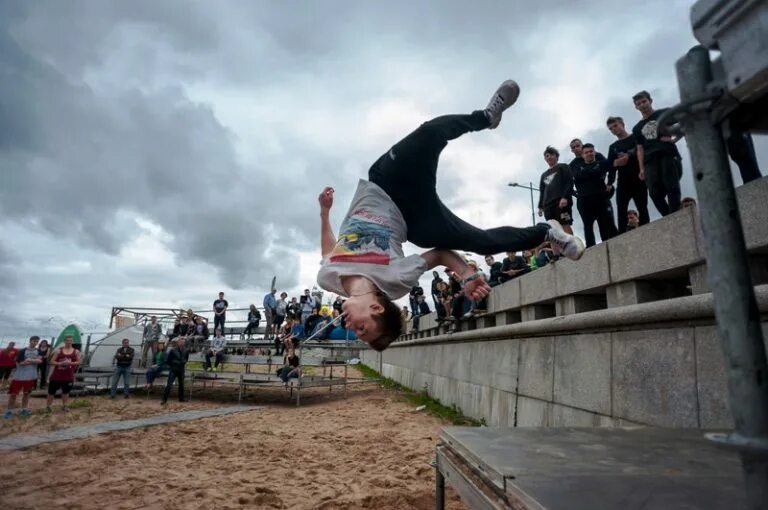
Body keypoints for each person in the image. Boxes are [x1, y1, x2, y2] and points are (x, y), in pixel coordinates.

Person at [317, 81, 584, 351]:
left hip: (386, 181)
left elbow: (329, 251)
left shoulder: (327, 278)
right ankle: (547, 231)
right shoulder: (394, 281)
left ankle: (485, 117)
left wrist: (324, 213)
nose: (350, 327)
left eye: (357, 331)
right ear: (376, 307)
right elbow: (439, 254)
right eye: (362, 329)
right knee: (481, 241)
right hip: (416, 219)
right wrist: (467, 275)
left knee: (430, 132)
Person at [632, 90, 683, 216]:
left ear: (650, 101)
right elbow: (640, 148)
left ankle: (676, 214)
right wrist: (641, 168)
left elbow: (684, 119)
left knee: (671, 185)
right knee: (654, 192)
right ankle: (669, 216)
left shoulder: (664, 113)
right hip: (649, 160)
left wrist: (675, 138)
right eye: (639, 104)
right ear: (636, 107)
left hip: (666, 153)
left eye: (644, 101)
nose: (642, 105)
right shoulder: (637, 128)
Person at [606, 116, 649, 233]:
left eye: (615, 126)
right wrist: (610, 181)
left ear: (622, 124)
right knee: (621, 210)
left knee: (642, 208)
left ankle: (647, 232)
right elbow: (610, 166)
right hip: (623, 182)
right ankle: (622, 237)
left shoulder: (635, 138)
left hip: (639, 179)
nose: (614, 129)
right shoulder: (613, 147)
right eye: (611, 128)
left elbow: (645, 153)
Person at [572, 143, 618, 247]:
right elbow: (574, 178)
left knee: (605, 224)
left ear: (594, 152)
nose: (589, 154)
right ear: (582, 155)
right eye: (586, 152)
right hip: (584, 200)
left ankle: (608, 246)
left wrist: (610, 183)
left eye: (591, 152)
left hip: (601, 198)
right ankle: (591, 249)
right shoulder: (576, 166)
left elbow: (612, 166)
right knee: (588, 226)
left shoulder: (601, 163)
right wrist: (576, 194)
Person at [538, 146, 575, 234]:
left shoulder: (563, 167)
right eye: (547, 156)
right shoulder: (544, 175)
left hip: (561, 202)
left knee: (564, 223)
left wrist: (565, 197)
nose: (549, 157)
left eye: (551, 155)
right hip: (548, 206)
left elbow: (569, 182)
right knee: (553, 229)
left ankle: (574, 247)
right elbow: (542, 191)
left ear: (556, 156)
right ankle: (560, 248)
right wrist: (540, 207)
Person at [4, 336, 42, 419]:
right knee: (13, 394)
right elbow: (21, 363)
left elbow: (40, 361)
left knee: (27, 394)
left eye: (37, 341)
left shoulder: (38, 351)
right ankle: (9, 411)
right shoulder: (22, 351)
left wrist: (29, 360)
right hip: (19, 377)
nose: (35, 343)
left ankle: (24, 409)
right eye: (34, 341)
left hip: (31, 376)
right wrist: (33, 360)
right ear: (30, 341)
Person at [46, 335, 81, 412]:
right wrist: (60, 364)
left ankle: (64, 406)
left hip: (68, 376)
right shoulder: (59, 350)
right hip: (56, 375)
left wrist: (70, 363)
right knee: (51, 392)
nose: (69, 342)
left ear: (72, 341)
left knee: (66, 392)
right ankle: (48, 406)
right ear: (64, 341)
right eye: (67, 340)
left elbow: (79, 362)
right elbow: (51, 361)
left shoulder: (76, 351)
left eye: (70, 340)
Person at [162, 337, 189, 404]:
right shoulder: (173, 350)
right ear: (178, 343)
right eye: (181, 342)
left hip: (181, 369)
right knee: (169, 384)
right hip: (173, 369)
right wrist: (173, 364)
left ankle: (181, 398)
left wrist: (184, 362)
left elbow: (186, 358)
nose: (182, 343)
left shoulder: (186, 350)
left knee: (181, 385)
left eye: (183, 342)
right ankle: (164, 399)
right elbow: (168, 360)